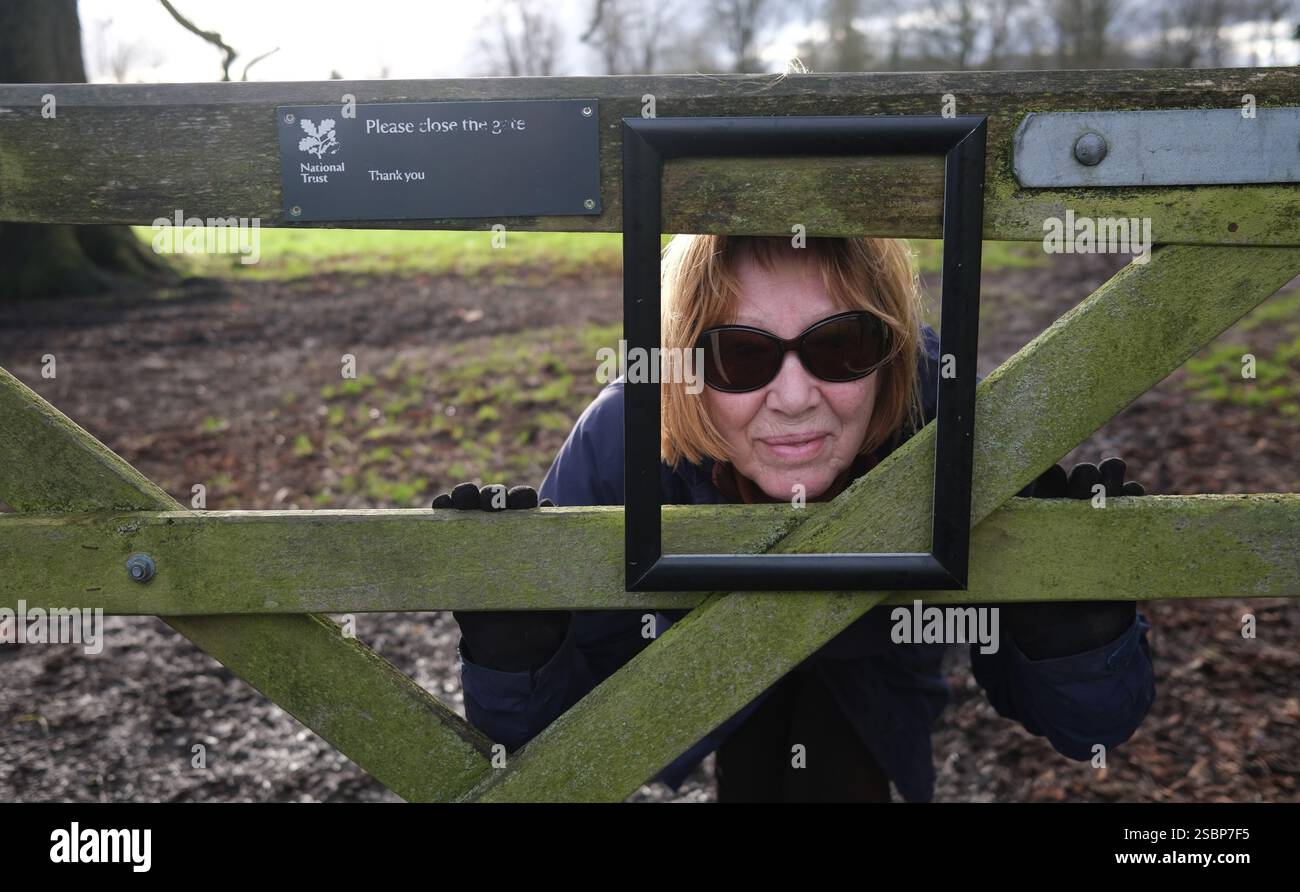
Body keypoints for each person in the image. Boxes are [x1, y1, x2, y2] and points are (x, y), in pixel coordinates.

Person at [439, 234, 1156, 802]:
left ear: (893, 350)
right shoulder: (622, 439)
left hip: (877, 659)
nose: (792, 398)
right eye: (739, 354)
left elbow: (1091, 727)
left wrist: (1075, 632)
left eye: (841, 345)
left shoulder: (950, 418)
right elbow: (540, 757)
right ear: (684, 365)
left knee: (843, 747)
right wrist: (519, 650)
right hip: (704, 664)